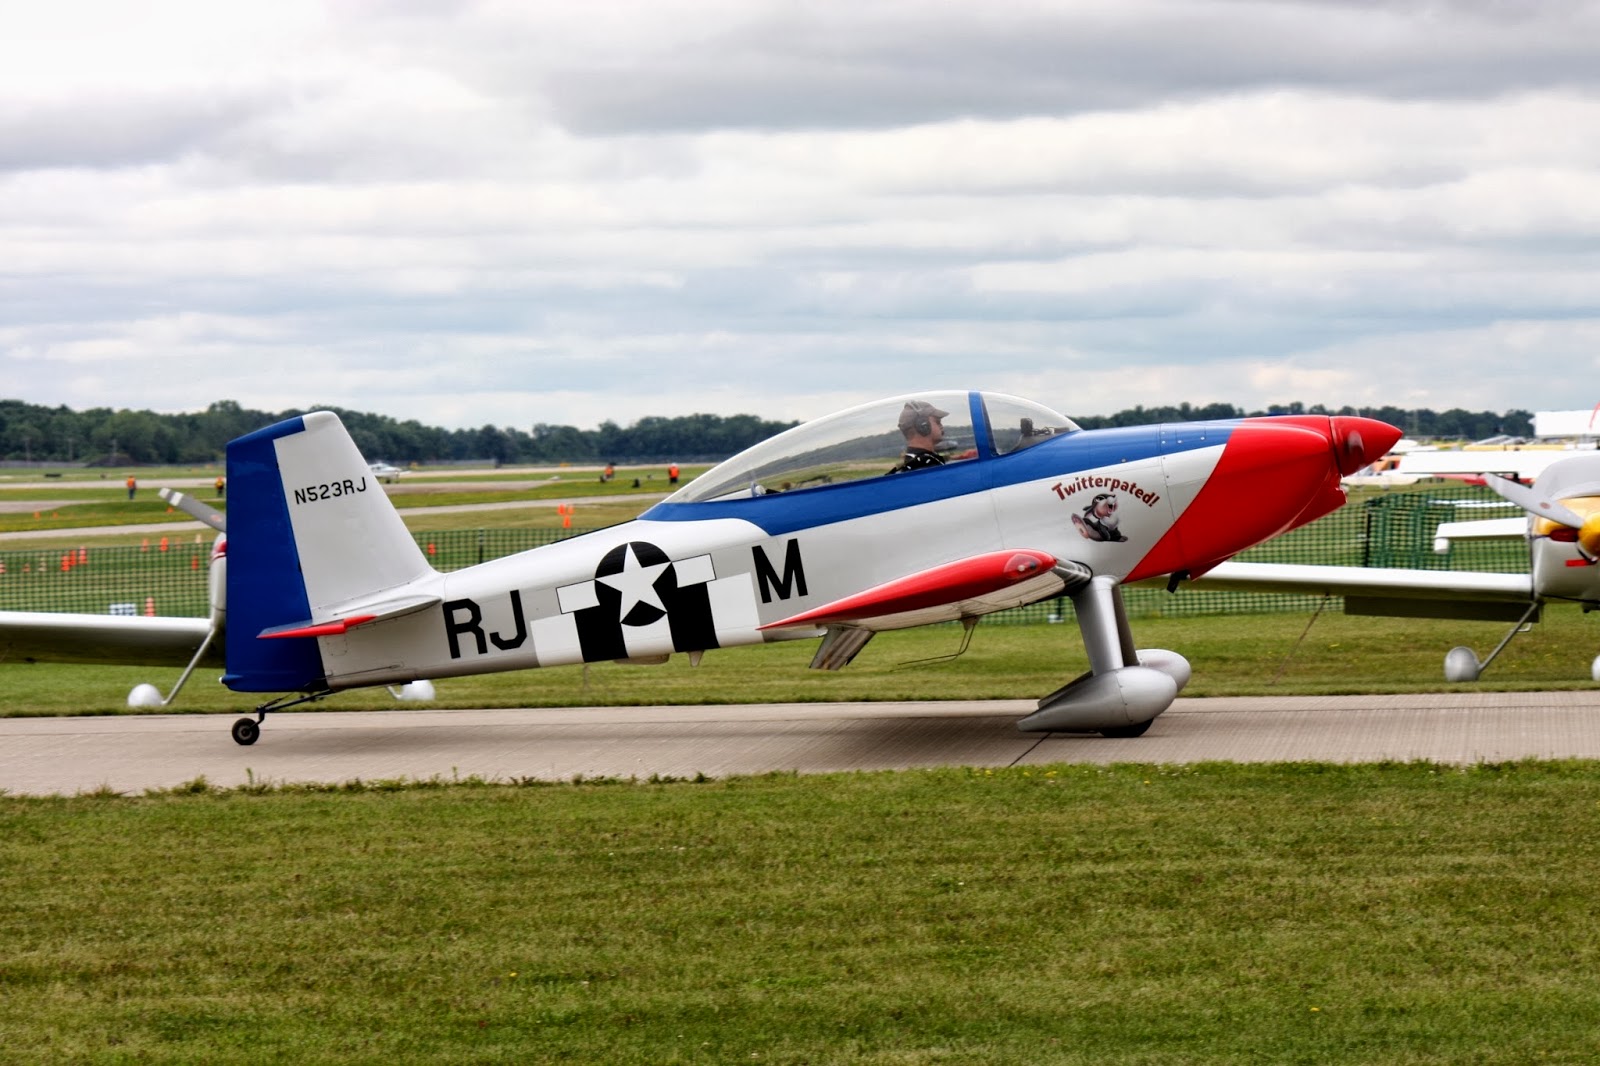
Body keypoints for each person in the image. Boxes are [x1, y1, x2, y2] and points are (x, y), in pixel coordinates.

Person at [889, 400, 949, 472]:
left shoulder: (914, 461)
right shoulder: (924, 466)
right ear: (923, 426)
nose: (941, 426)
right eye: (937, 422)